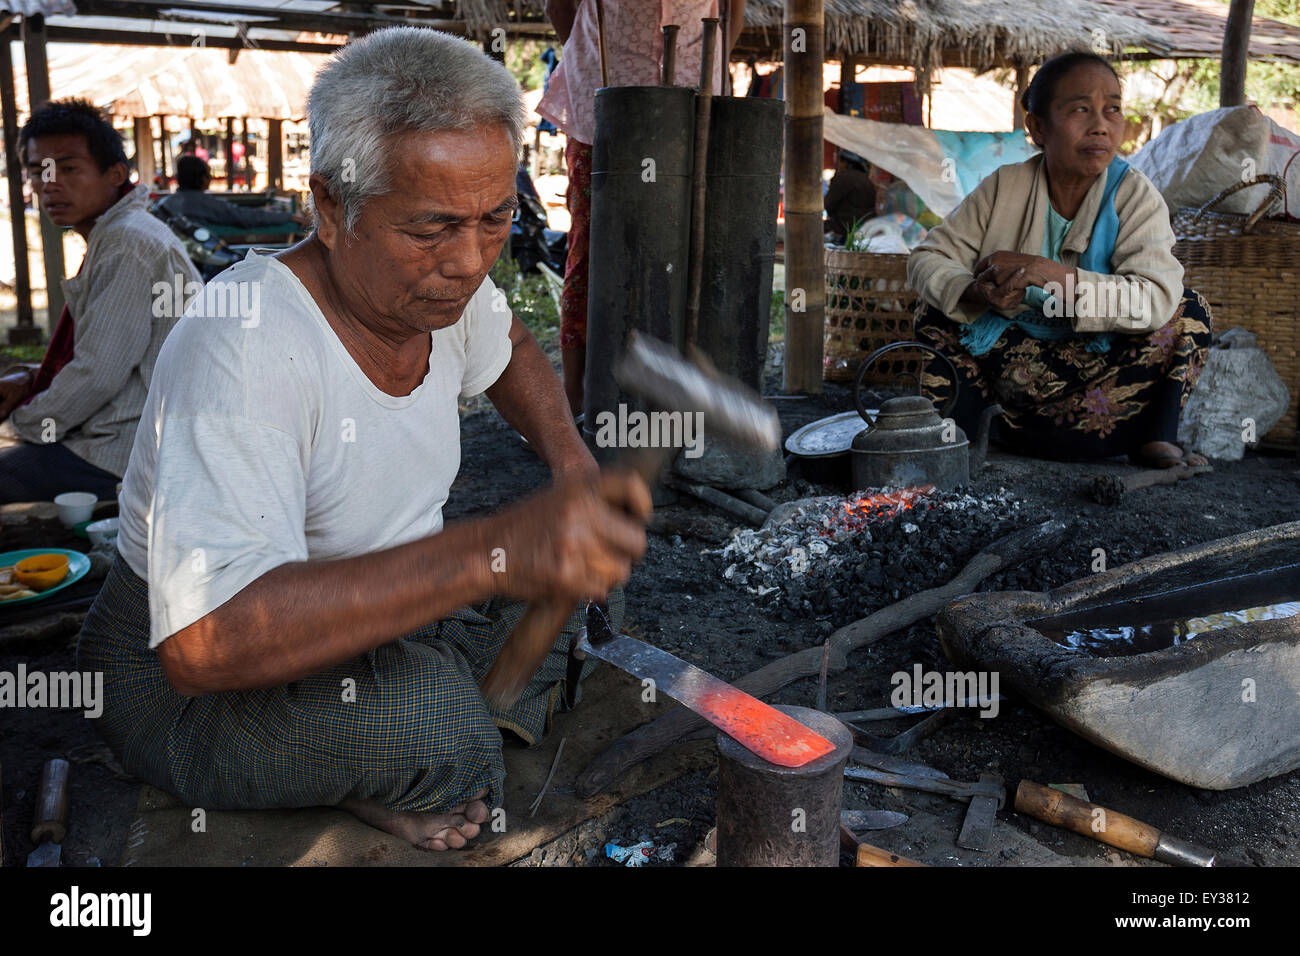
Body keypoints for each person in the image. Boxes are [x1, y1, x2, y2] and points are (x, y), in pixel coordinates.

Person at [76, 28, 650, 853]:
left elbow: (511, 347)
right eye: (432, 229)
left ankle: (413, 731)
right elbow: (205, 645)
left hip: (368, 618)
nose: (468, 261)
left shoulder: (438, 293)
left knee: (591, 572)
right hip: (183, 686)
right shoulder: (242, 344)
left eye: (494, 220)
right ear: (332, 207)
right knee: (435, 717)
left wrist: (571, 467)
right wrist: (486, 554)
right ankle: (423, 741)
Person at [907, 51, 1211, 467]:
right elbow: (927, 258)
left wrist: (1050, 274)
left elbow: (1155, 298)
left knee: (1189, 310)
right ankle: (970, 426)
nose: (1101, 125)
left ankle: (1150, 436)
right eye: (1080, 109)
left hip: (1096, 384)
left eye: (1113, 109)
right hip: (1007, 373)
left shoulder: (1135, 196)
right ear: (1037, 128)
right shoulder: (1004, 187)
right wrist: (974, 291)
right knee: (934, 306)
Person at [539, 0, 747, 418]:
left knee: (691, 237)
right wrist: (597, 55)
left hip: (693, 96)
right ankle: (578, 396)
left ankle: (682, 383)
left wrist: (708, 58)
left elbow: (731, 13)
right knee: (594, 243)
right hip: (602, 100)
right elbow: (560, 6)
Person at [0, 99, 201, 503]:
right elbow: (105, 354)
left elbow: (96, 374)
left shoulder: (127, 243)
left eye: (69, 167)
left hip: (128, 449)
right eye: (39, 170)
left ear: (114, 174)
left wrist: (18, 426)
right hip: (134, 428)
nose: (49, 184)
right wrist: (30, 378)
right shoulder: (119, 232)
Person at [160, 154, 310, 231]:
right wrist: (289, 217)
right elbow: (244, 216)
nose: (211, 178)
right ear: (201, 179)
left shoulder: (164, 203)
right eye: (208, 174)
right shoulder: (206, 204)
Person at [824, 148, 877, 244]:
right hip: (867, 226)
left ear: (845, 162)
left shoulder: (843, 177)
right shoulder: (867, 180)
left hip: (846, 228)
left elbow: (828, 204)